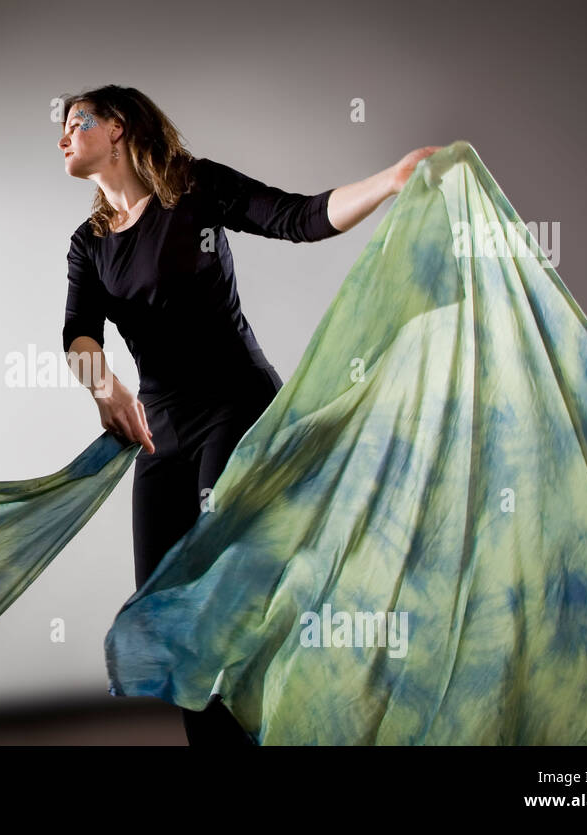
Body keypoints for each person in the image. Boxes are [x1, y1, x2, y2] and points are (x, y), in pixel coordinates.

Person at [57, 84, 438, 745]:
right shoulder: (89, 243)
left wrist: (392, 179)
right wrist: (103, 387)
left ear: (117, 127)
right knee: (171, 617)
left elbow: (301, 217)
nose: (63, 135)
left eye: (76, 121)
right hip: (160, 435)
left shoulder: (192, 188)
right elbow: (77, 334)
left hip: (237, 408)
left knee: (227, 592)